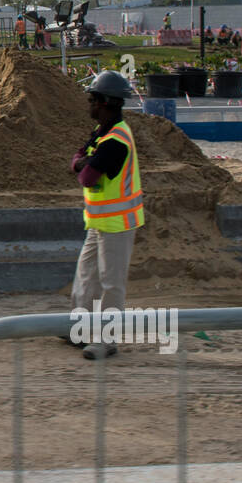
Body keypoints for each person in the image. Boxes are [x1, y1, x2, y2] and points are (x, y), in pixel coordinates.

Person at [66, 71, 144, 361]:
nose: (89, 105)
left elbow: (86, 176)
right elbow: (78, 157)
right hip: (99, 221)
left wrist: (80, 164)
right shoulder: (103, 133)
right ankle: (79, 329)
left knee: (111, 284)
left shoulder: (115, 141)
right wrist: (80, 162)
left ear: (106, 102)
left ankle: (107, 340)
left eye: (92, 100)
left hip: (117, 224)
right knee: (85, 277)